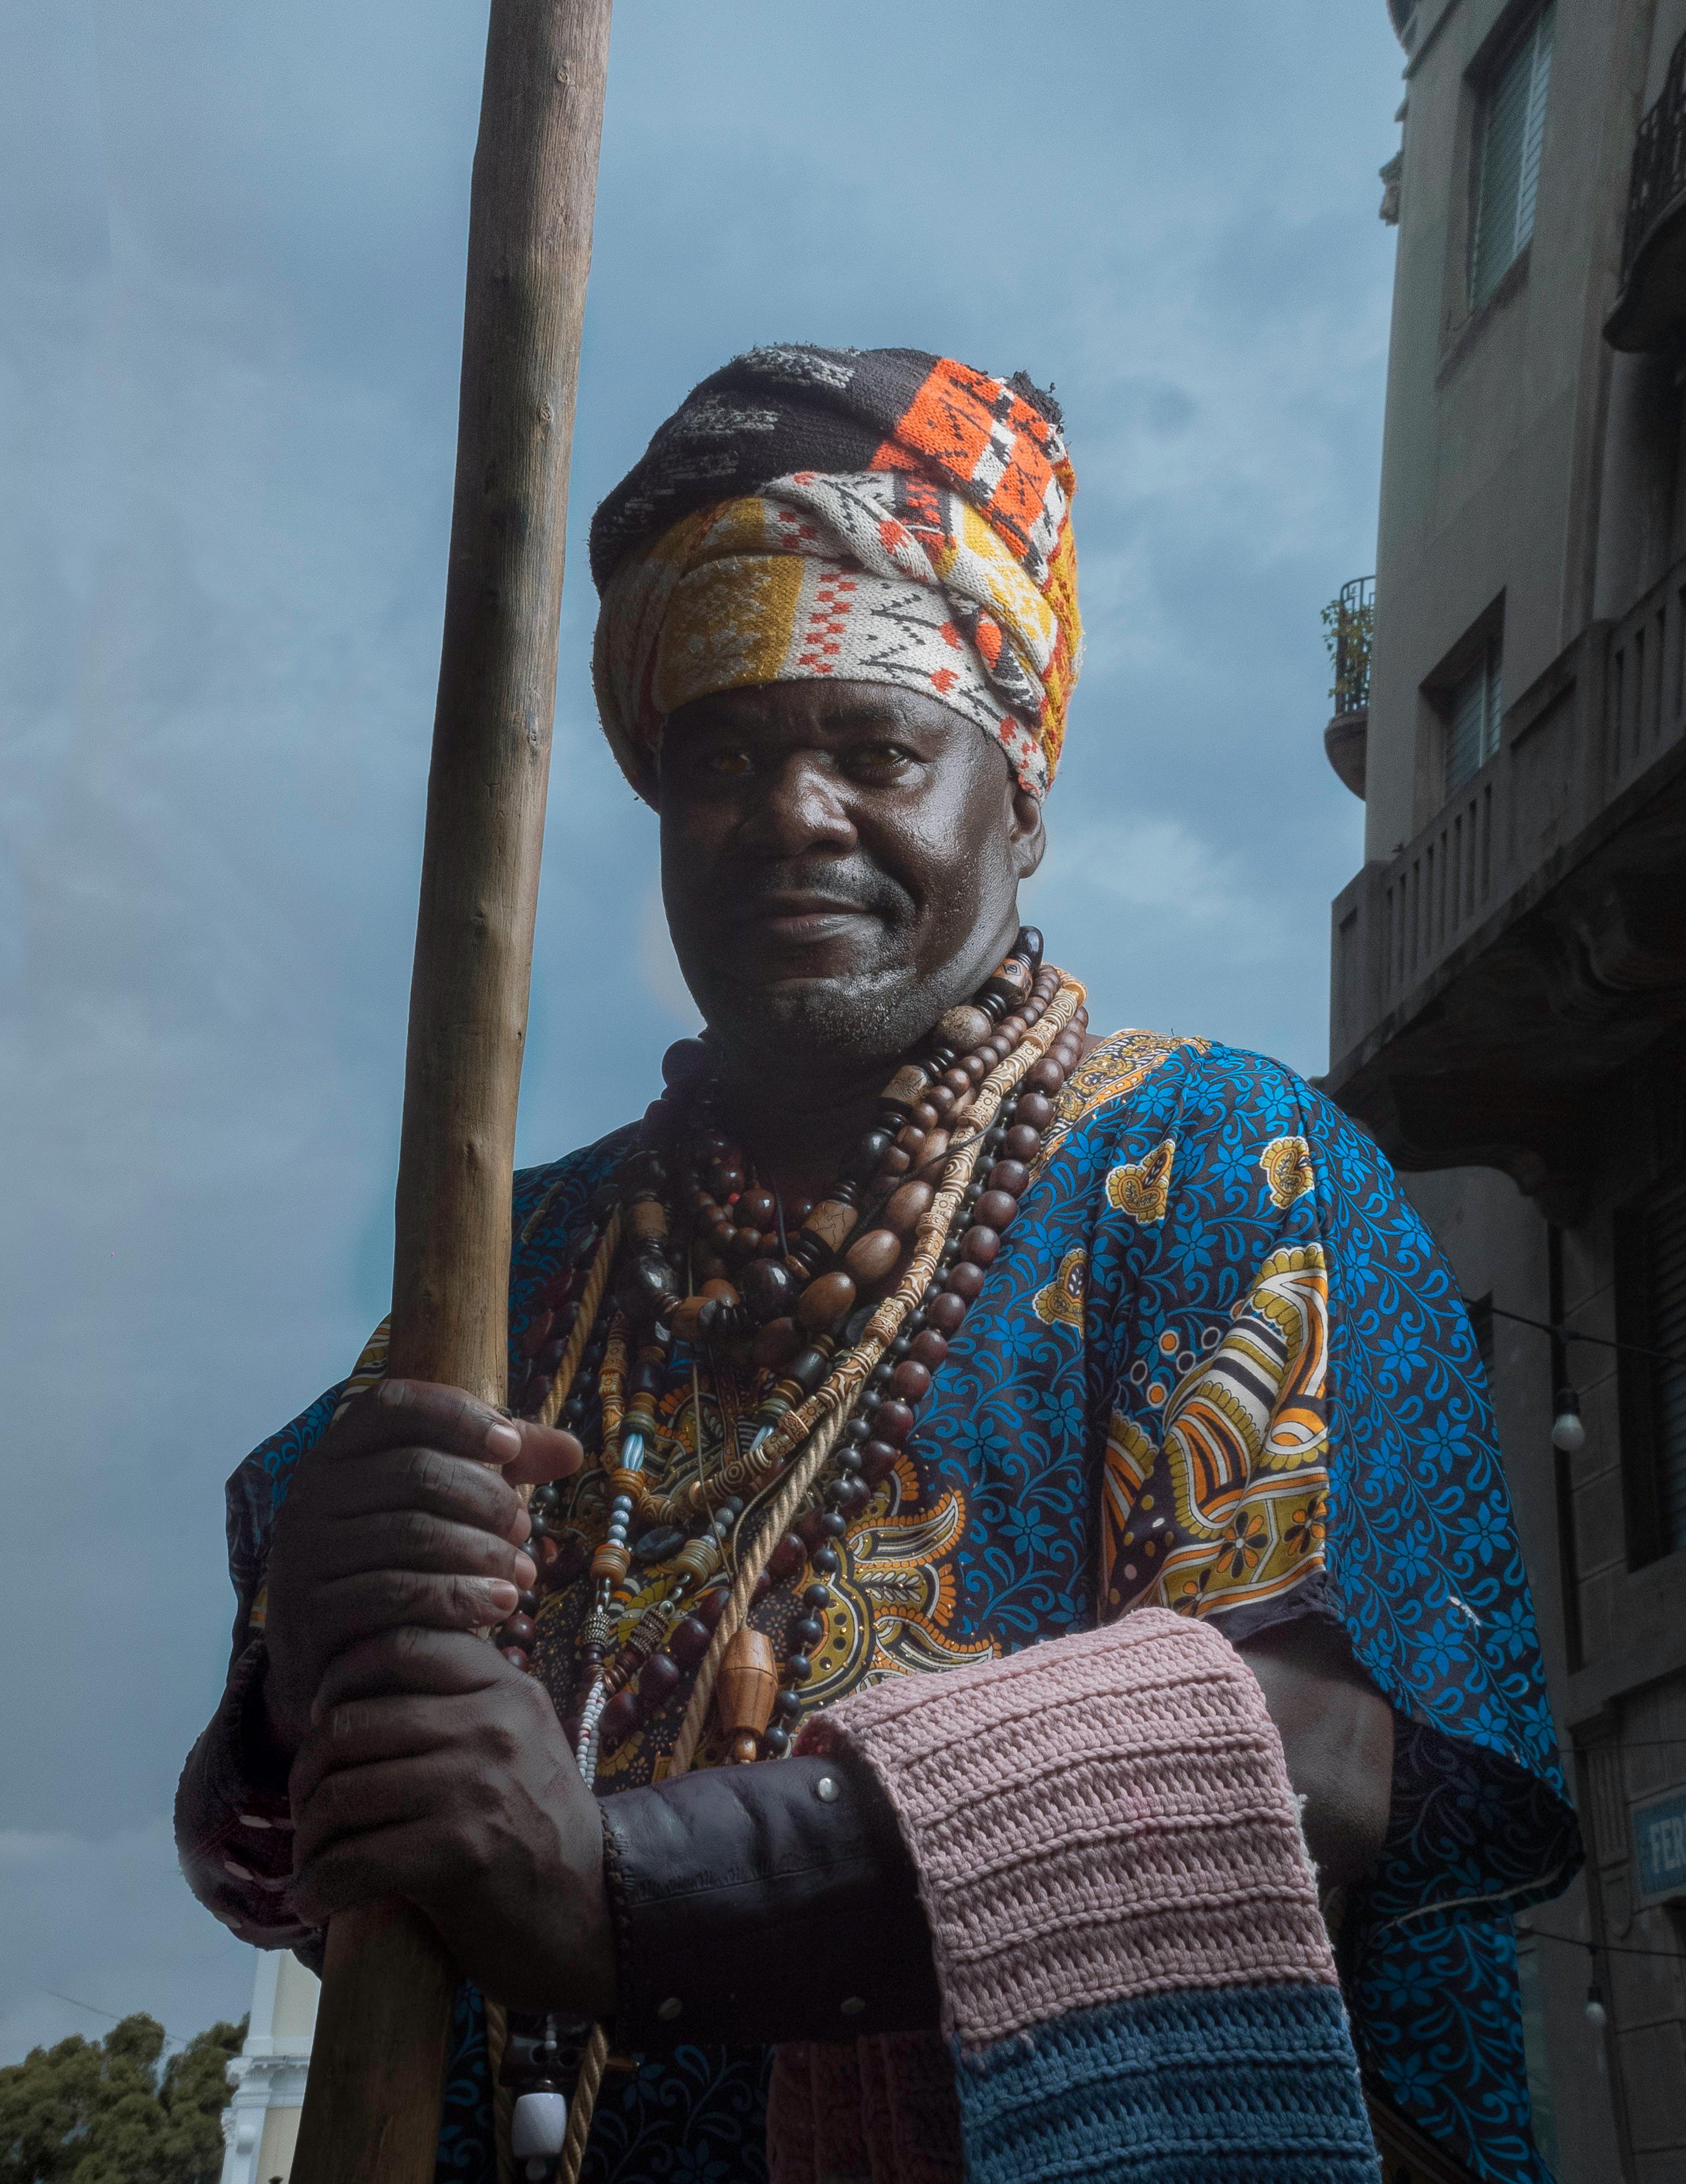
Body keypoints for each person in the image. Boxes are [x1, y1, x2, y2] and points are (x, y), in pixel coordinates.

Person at [178, 347, 1578, 2184]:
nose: (790, 816)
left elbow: (1295, 1756)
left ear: (1016, 789)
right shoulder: (513, 1267)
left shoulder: (1214, 1165)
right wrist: (308, 1655)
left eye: (873, 747)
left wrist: (625, 1893)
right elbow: (314, 1861)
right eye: (722, 756)